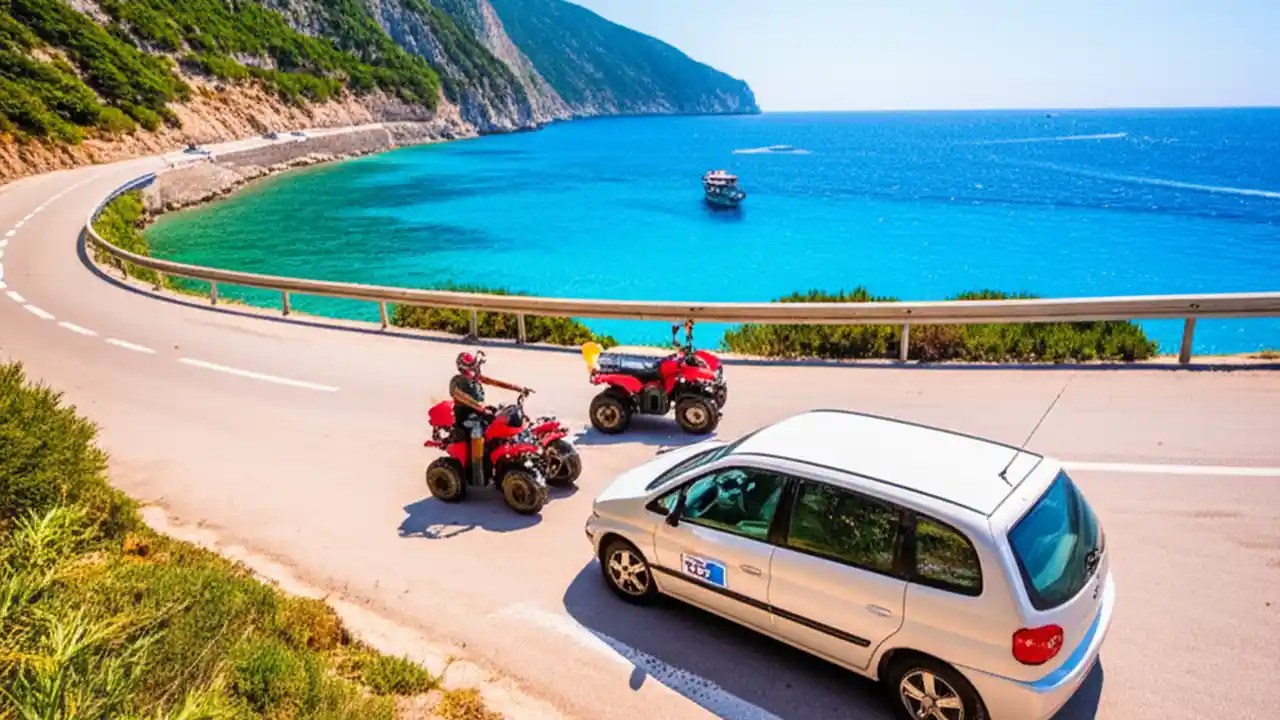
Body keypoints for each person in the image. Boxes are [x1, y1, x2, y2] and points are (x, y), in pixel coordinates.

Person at [450, 351, 531, 485]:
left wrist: (518, 388)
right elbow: (461, 397)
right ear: (465, 368)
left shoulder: (475, 378)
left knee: (503, 419)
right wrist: (481, 409)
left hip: (480, 412)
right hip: (466, 418)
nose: (477, 369)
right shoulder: (456, 382)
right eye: (474, 367)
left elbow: (493, 382)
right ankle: (478, 476)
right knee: (478, 435)